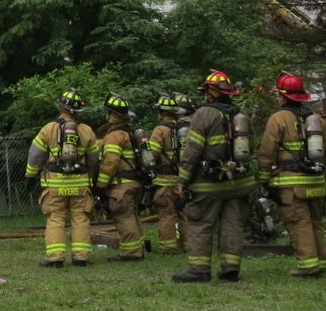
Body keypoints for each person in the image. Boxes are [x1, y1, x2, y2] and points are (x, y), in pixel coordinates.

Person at [174, 70, 256, 282]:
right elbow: (251, 147)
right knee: (232, 225)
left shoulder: (204, 114)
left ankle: (199, 270)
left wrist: (182, 181)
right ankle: (231, 269)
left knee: (200, 223)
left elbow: (192, 151)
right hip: (238, 182)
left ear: (210, 92)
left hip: (209, 183)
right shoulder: (241, 115)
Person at [258, 72, 326, 278]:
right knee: (316, 222)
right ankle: (321, 262)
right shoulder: (317, 120)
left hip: (292, 185)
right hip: (316, 182)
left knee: (299, 223)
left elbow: (267, 152)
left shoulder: (278, 119)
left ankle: (308, 266)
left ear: (282, 96)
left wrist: (264, 178)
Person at [23, 90, 99, 267]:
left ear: (60, 107)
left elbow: (34, 156)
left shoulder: (48, 129)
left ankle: (55, 258)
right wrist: (93, 177)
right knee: (80, 218)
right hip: (80, 186)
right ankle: (81, 257)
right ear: (78, 111)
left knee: (56, 219)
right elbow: (94, 160)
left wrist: (30, 176)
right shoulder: (86, 131)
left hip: (55, 185)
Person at [96, 94, 146, 261]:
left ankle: (130, 253)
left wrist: (100, 185)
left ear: (111, 114)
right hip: (135, 182)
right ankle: (138, 249)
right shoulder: (129, 132)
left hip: (122, 186)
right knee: (132, 216)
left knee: (124, 217)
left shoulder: (115, 135)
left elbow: (110, 162)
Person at [147, 93, 187, 254]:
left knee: (166, 215)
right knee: (184, 214)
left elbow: (152, 155)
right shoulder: (184, 129)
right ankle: (189, 244)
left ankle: (169, 247)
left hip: (165, 181)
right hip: (183, 180)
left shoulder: (160, 130)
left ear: (161, 113)